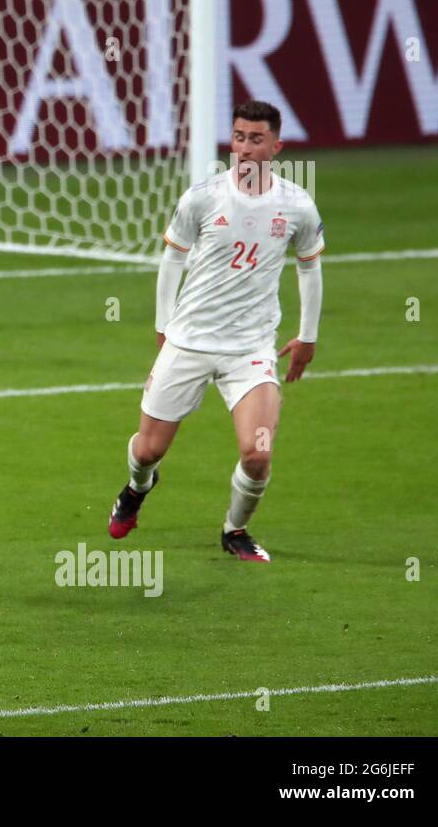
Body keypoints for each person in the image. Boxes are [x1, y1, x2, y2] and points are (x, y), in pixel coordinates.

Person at [108, 100, 324, 562]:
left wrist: (308, 336)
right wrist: (163, 327)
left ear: (276, 146)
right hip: (189, 341)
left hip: (250, 350)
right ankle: (135, 490)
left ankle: (235, 530)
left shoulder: (297, 206)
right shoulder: (203, 197)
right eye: (239, 137)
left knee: (257, 452)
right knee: (147, 451)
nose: (245, 148)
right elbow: (173, 258)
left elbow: (309, 268)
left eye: (256, 139)